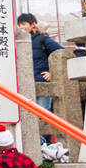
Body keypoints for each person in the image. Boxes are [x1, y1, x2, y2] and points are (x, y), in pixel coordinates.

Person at [18, 14, 65, 143]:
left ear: (33, 24)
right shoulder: (18, 41)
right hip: (26, 85)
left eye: (24, 24)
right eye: (19, 24)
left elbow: (62, 53)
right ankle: (38, 145)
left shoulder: (42, 39)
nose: (21, 27)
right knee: (30, 116)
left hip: (42, 82)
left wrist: (52, 73)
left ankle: (43, 145)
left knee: (42, 114)